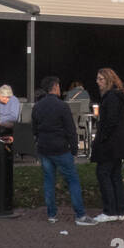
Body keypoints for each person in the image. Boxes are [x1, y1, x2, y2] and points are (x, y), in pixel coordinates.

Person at [32, 76, 98, 226]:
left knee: (49, 180)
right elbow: (71, 130)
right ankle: (80, 215)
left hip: (44, 148)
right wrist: (74, 150)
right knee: (72, 180)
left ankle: (51, 214)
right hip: (60, 148)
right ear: (55, 87)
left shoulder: (37, 107)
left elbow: (34, 129)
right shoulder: (62, 106)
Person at [91, 68, 124, 223]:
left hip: (110, 143)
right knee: (115, 175)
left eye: (100, 79)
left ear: (108, 80)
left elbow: (110, 121)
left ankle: (110, 210)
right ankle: (119, 210)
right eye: (97, 79)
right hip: (117, 141)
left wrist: (102, 138)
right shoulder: (117, 96)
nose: (97, 82)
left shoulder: (111, 97)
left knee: (103, 173)